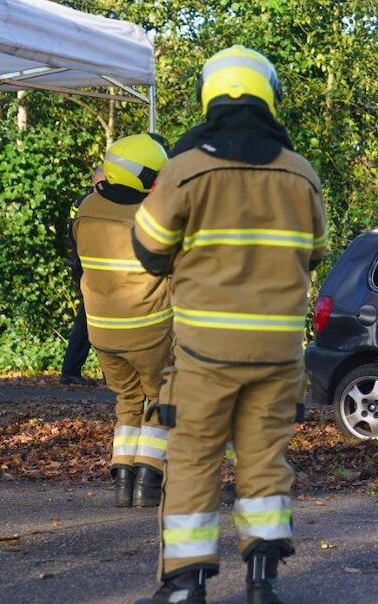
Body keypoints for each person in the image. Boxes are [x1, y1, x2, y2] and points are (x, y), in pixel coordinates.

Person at [133, 45, 326, 604]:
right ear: (270, 98)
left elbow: (148, 249)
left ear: (209, 97)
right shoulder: (301, 174)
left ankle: (185, 586)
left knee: (193, 457)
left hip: (205, 354)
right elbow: (312, 252)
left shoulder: (185, 170)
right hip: (278, 351)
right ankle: (263, 581)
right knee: (265, 458)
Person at [72, 135, 173, 507]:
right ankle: (148, 480)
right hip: (147, 330)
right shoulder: (154, 219)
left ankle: (122, 480)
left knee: (128, 398)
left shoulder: (85, 210)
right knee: (162, 395)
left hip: (102, 331)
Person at [59, 167, 107, 387]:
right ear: (93, 181)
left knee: (92, 318)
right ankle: (71, 370)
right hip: (87, 267)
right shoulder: (84, 204)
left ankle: (73, 369)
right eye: (101, 181)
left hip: (95, 267)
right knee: (89, 318)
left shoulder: (89, 202)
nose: (104, 186)